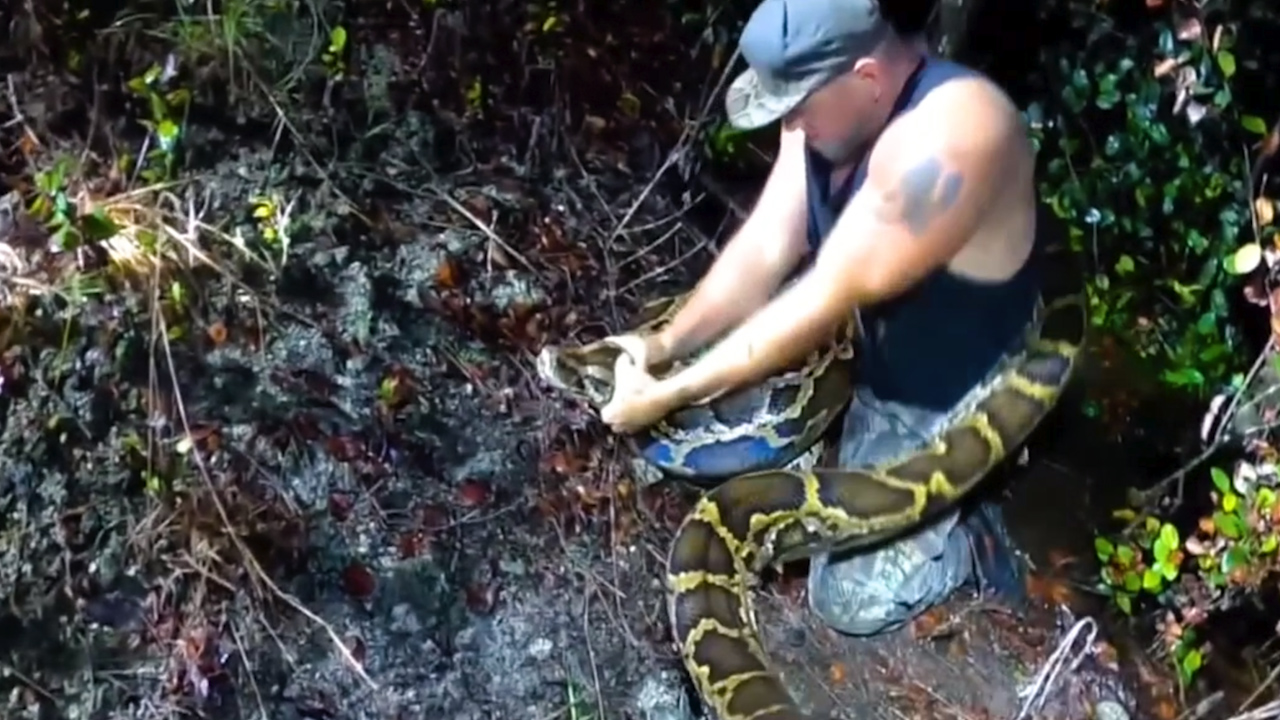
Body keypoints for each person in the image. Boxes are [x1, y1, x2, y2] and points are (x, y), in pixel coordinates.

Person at [598, 0, 1044, 636]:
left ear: (864, 76)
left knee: (849, 602)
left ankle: (972, 527)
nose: (790, 121)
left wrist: (671, 392)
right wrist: (663, 344)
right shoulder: (823, 115)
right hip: (885, 339)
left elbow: (826, 292)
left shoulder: (945, 143)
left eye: (798, 104)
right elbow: (768, 247)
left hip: (960, 375)